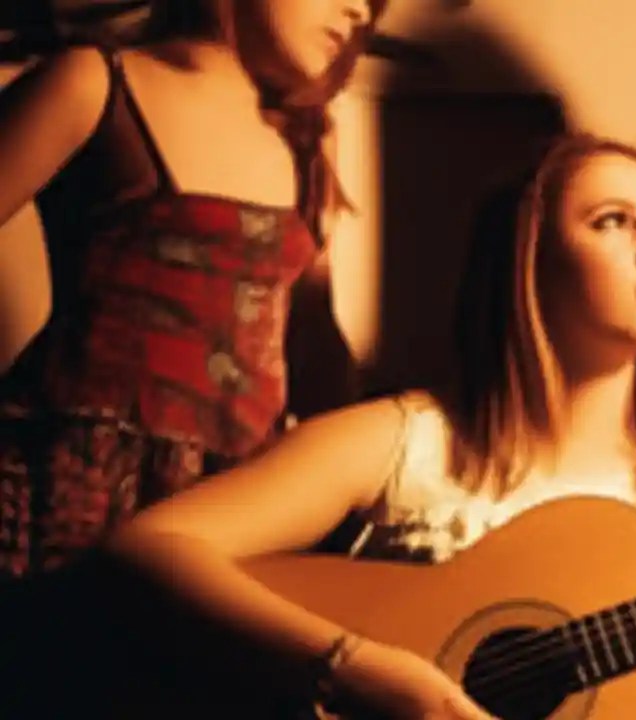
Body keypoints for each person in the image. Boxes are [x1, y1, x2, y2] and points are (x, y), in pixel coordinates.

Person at [106, 134, 636, 719]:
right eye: (614, 221)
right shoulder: (406, 444)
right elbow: (150, 547)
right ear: (530, 263)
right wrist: (359, 665)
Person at [0, 0, 384, 581]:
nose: (358, 10)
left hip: (228, 516)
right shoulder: (97, 83)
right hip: (67, 498)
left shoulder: (305, 145)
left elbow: (318, 360)